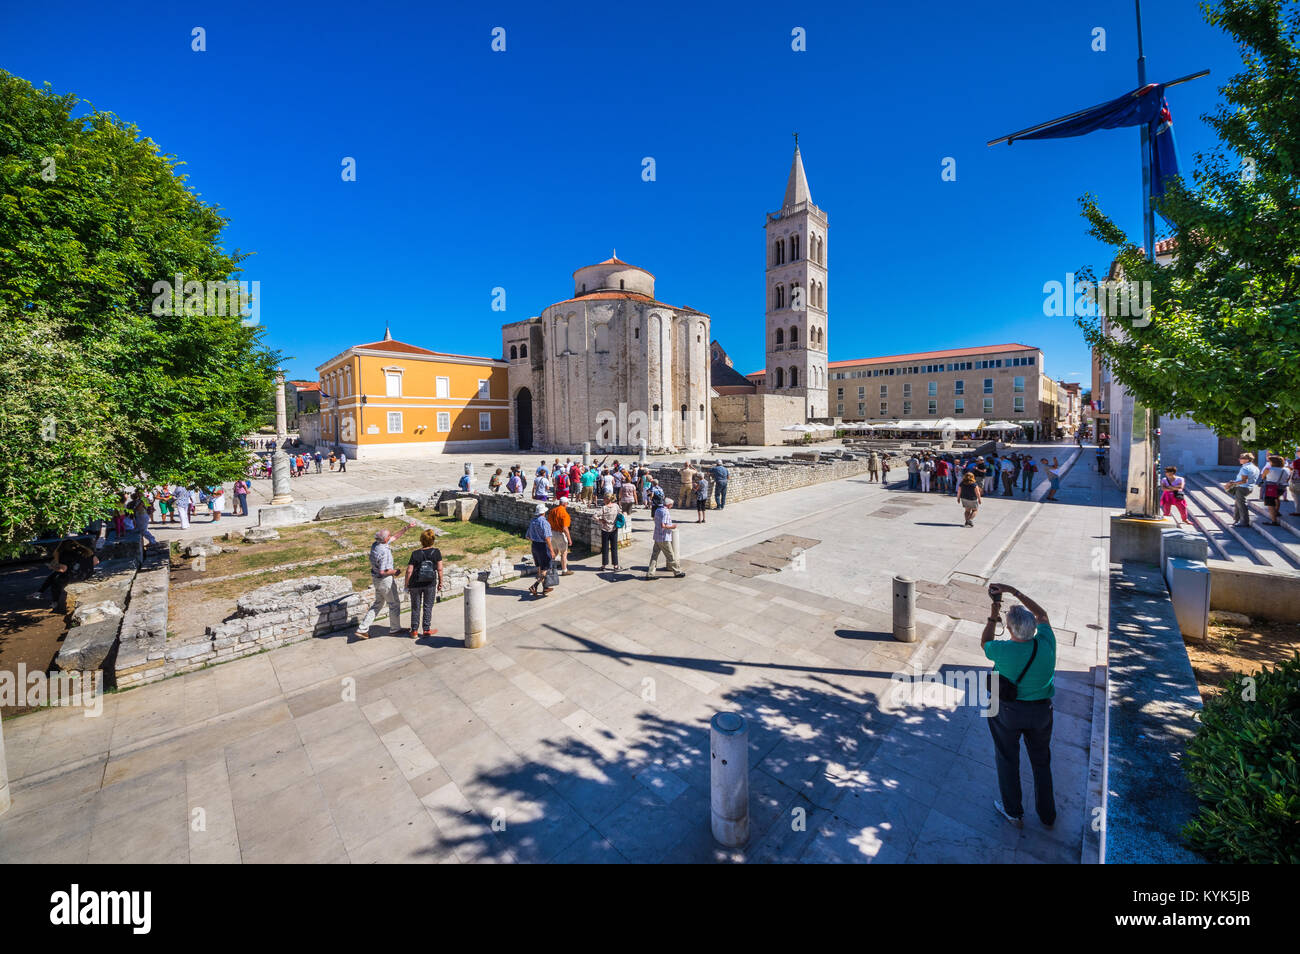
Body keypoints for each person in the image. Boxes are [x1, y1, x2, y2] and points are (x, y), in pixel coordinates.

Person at [982, 583, 1057, 830]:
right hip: (1041, 712)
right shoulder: (1046, 643)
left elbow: (985, 643)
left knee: (1007, 758)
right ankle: (1047, 815)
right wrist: (1015, 592)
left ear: (1010, 629)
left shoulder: (1002, 650)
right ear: (1034, 628)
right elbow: (1043, 614)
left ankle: (1014, 813)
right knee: (1041, 761)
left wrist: (994, 612)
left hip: (1007, 710)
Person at [356, 523, 414, 638]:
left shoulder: (376, 545)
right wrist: (395, 572)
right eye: (389, 536)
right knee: (394, 603)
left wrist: (406, 528)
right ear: (385, 539)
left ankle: (362, 629)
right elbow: (383, 571)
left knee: (378, 604)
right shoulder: (385, 552)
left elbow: (395, 537)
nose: (391, 537)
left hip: (376, 580)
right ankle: (395, 629)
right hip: (385, 580)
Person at [403, 529, 443, 638]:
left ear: (421, 540)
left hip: (415, 584)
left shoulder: (415, 554)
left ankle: (414, 631)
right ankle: (426, 629)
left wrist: (406, 585)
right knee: (428, 606)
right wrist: (440, 582)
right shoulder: (436, 552)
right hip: (430, 583)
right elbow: (439, 569)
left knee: (415, 607)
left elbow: (409, 571)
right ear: (433, 540)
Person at [35, 538, 98, 608]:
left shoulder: (64, 553)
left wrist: (51, 567)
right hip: (88, 575)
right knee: (55, 574)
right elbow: (96, 562)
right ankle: (39, 592)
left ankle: (54, 602)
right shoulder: (86, 550)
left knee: (56, 581)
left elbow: (63, 569)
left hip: (75, 577)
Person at [645, 495, 685, 578]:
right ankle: (677, 572)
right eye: (672, 504)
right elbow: (663, 525)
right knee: (670, 555)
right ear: (669, 504)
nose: (672, 506)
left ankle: (650, 573)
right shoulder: (665, 511)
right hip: (664, 537)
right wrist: (672, 526)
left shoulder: (657, 510)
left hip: (657, 536)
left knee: (654, 556)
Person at [526, 503, 556, 597]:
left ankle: (545, 588)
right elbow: (547, 538)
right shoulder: (544, 523)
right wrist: (551, 550)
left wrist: (535, 539)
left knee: (540, 567)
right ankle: (535, 585)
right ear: (544, 512)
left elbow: (527, 536)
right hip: (543, 547)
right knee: (546, 568)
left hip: (535, 546)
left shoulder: (533, 521)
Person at [1224, 453, 1260, 527]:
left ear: (1247, 459)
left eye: (1241, 458)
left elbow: (1244, 480)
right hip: (1249, 487)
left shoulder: (1245, 468)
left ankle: (1244, 521)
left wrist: (1233, 483)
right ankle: (1237, 519)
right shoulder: (1255, 467)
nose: (1239, 459)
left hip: (1242, 487)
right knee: (1237, 503)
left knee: (1241, 505)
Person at [1259, 455, 1291, 527]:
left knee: (1270, 504)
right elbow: (1288, 479)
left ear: (1273, 462)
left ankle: (1274, 521)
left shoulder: (1269, 469)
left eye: (1269, 461)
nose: (1269, 462)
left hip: (1271, 488)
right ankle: (1276, 512)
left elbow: (1263, 477)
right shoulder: (1287, 469)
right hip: (1282, 488)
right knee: (1277, 498)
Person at [547, 497, 574, 576]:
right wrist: (569, 539)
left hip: (552, 533)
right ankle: (564, 570)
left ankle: (548, 568)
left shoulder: (552, 511)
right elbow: (565, 528)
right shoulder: (564, 514)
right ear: (565, 503)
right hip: (559, 534)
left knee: (554, 552)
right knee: (564, 553)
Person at [596, 495, 622, 571]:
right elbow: (620, 514)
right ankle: (616, 566)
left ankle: (604, 565)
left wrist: (601, 520)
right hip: (614, 528)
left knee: (605, 548)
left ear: (607, 499)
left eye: (604, 498)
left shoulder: (603, 508)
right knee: (614, 548)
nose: (603, 500)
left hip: (605, 529)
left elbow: (594, 516)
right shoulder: (616, 506)